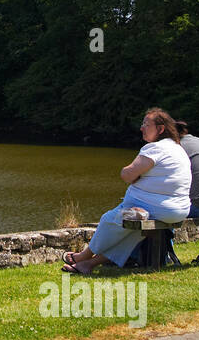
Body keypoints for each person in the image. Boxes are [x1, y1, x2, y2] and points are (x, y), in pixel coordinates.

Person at [62, 108, 191, 274]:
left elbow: (127, 174)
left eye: (146, 124)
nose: (141, 128)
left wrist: (136, 177)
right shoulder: (177, 148)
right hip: (179, 210)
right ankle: (88, 264)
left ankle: (82, 256)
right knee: (131, 232)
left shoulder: (155, 149)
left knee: (109, 219)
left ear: (160, 129)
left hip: (159, 207)